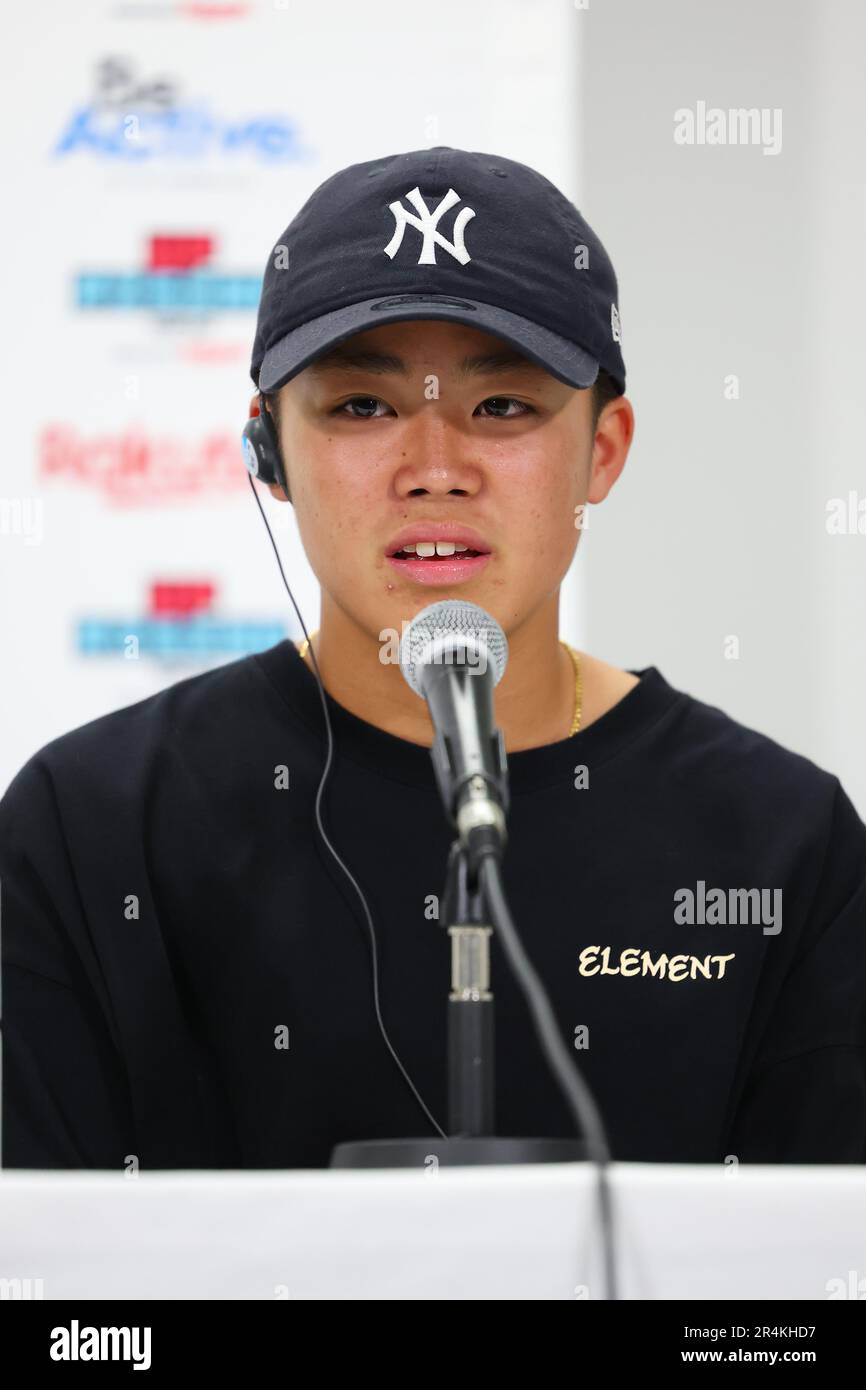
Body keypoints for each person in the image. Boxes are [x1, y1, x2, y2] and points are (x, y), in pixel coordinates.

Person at [2, 147, 865, 1171]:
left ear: (601, 450)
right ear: (266, 451)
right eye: (362, 408)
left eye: (500, 408)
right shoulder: (92, 823)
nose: (435, 471)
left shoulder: (779, 842)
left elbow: (803, 1288)